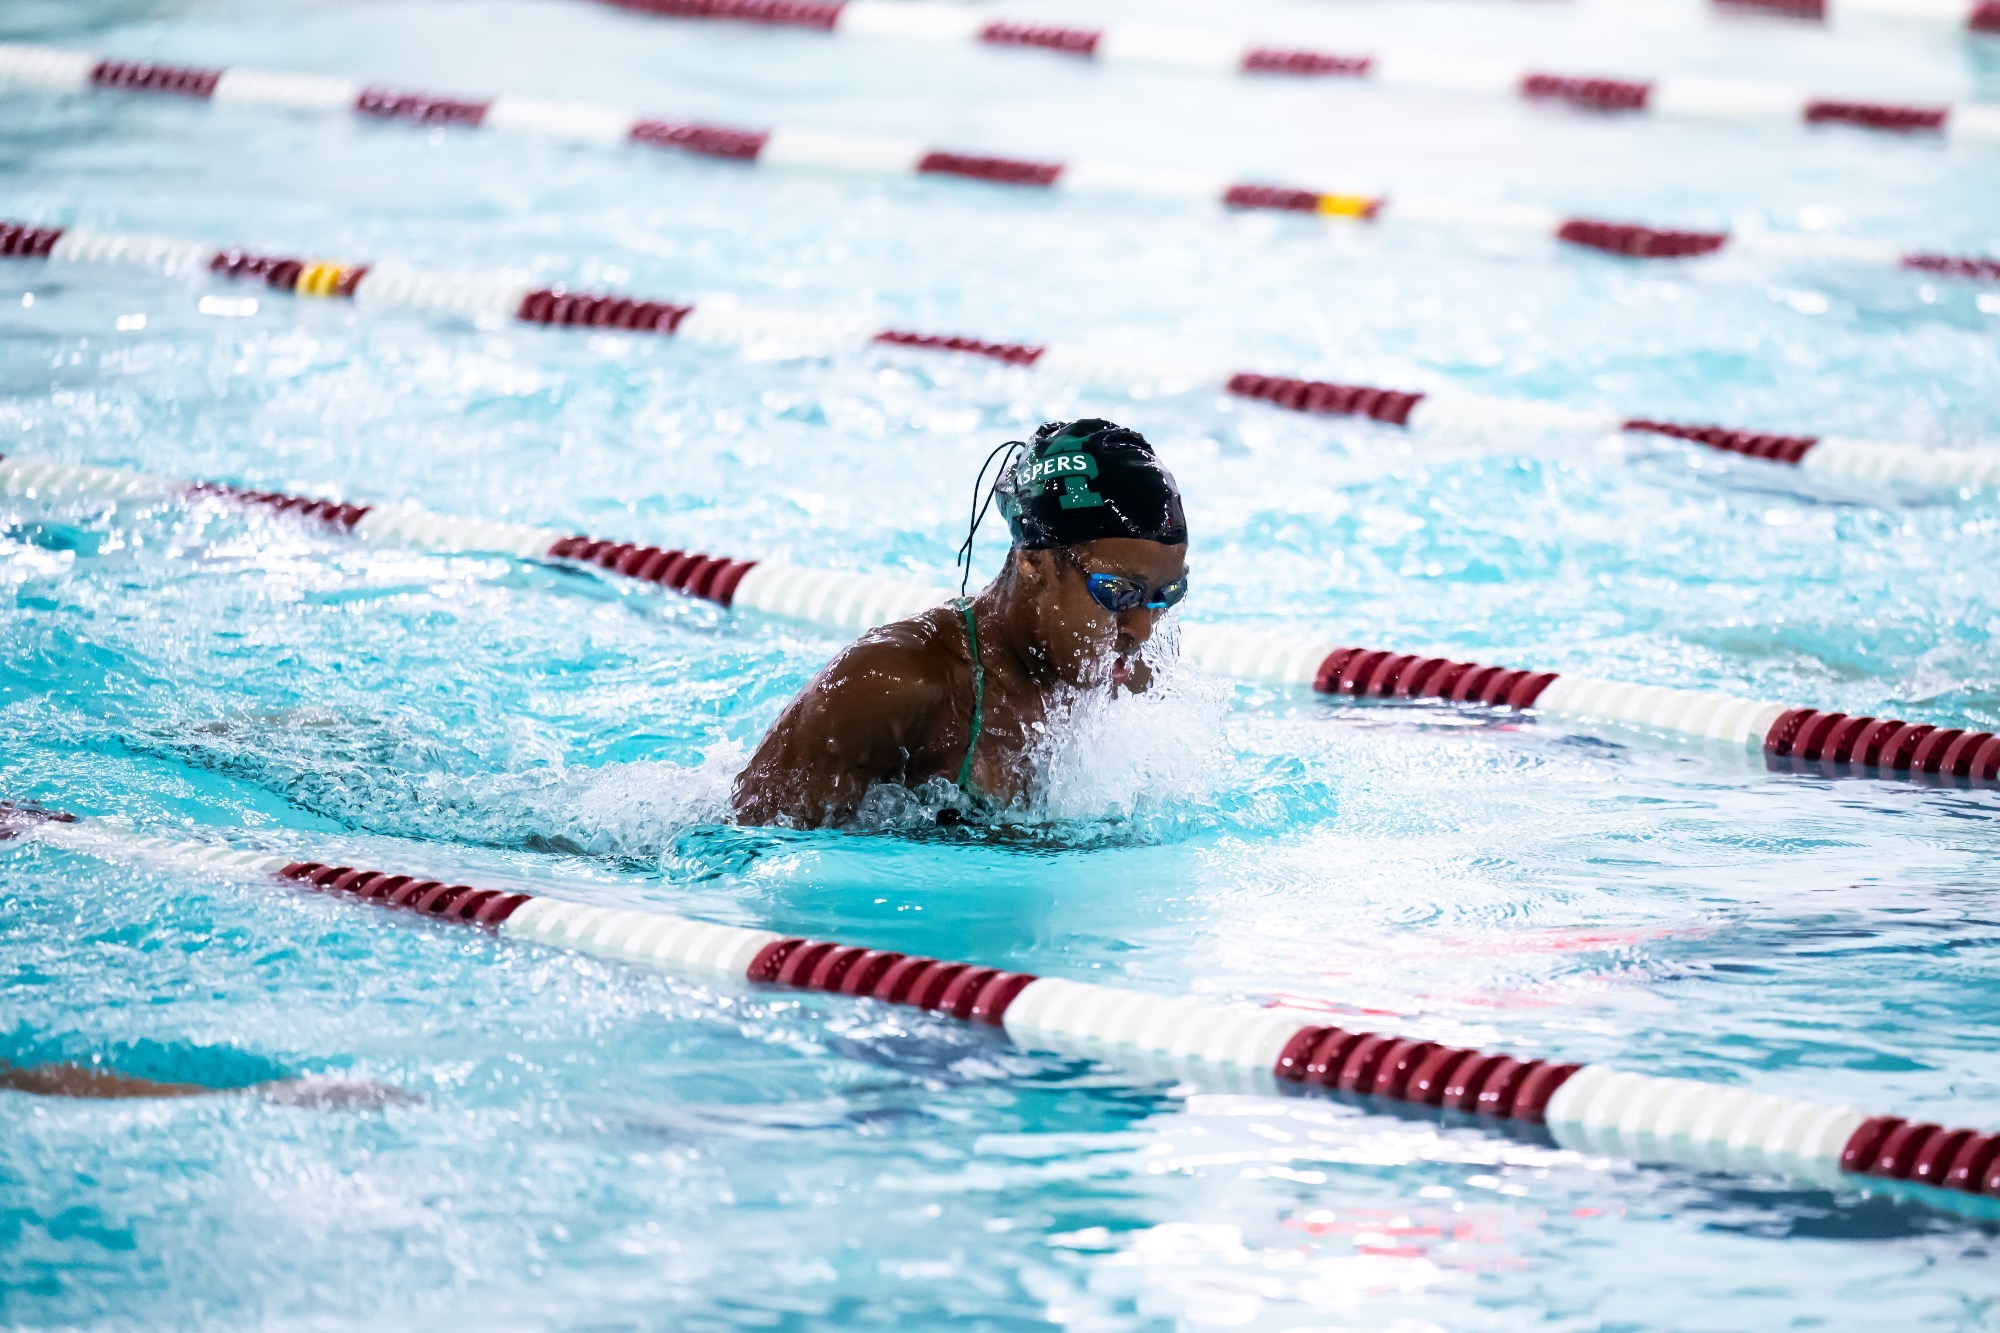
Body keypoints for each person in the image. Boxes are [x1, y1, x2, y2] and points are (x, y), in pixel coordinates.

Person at [731, 418, 1189, 828]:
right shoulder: (895, 685)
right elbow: (742, 852)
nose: (1142, 629)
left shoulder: (1129, 687)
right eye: (1116, 593)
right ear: (1034, 563)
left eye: (1166, 596)